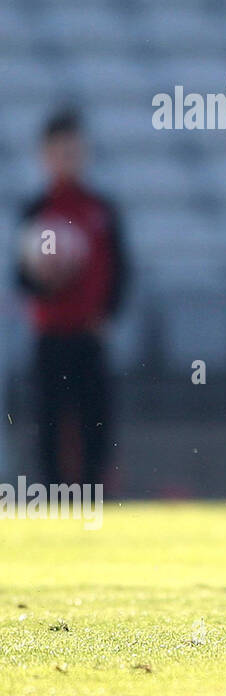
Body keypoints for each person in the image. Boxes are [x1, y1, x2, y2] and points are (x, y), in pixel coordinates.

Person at [15, 109, 127, 490]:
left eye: (74, 151)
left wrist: (107, 314)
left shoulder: (101, 210)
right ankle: (50, 492)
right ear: (45, 155)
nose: (68, 159)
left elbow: (119, 267)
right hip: (50, 334)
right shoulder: (36, 210)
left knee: (95, 417)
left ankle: (95, 491)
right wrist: (44, 278)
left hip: (89, 334)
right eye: (60, 151)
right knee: (47, 417)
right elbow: (23, 276)